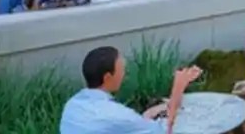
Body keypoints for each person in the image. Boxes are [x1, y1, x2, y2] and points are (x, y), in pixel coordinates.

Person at [60, 46, 201, 134]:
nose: (125, 74)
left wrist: (148, 115)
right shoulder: (118, 115)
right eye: (122, 70)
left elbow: (123, 125)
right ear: (108, 77)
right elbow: (164, 131)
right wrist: (179, 86)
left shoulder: (72, 105)